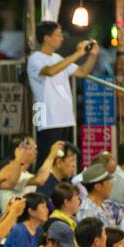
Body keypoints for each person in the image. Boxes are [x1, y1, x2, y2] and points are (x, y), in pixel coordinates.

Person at [26, 23, 99, 154]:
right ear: (47, 38)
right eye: (58, 35)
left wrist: (92, 55)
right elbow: (50, 71)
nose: (62, 38)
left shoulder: (58, 58)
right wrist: (77, 54)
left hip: (65, 117)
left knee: (64, 160)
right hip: (46, 118)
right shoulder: (34, 58)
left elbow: (83, 72)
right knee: (48, 158)